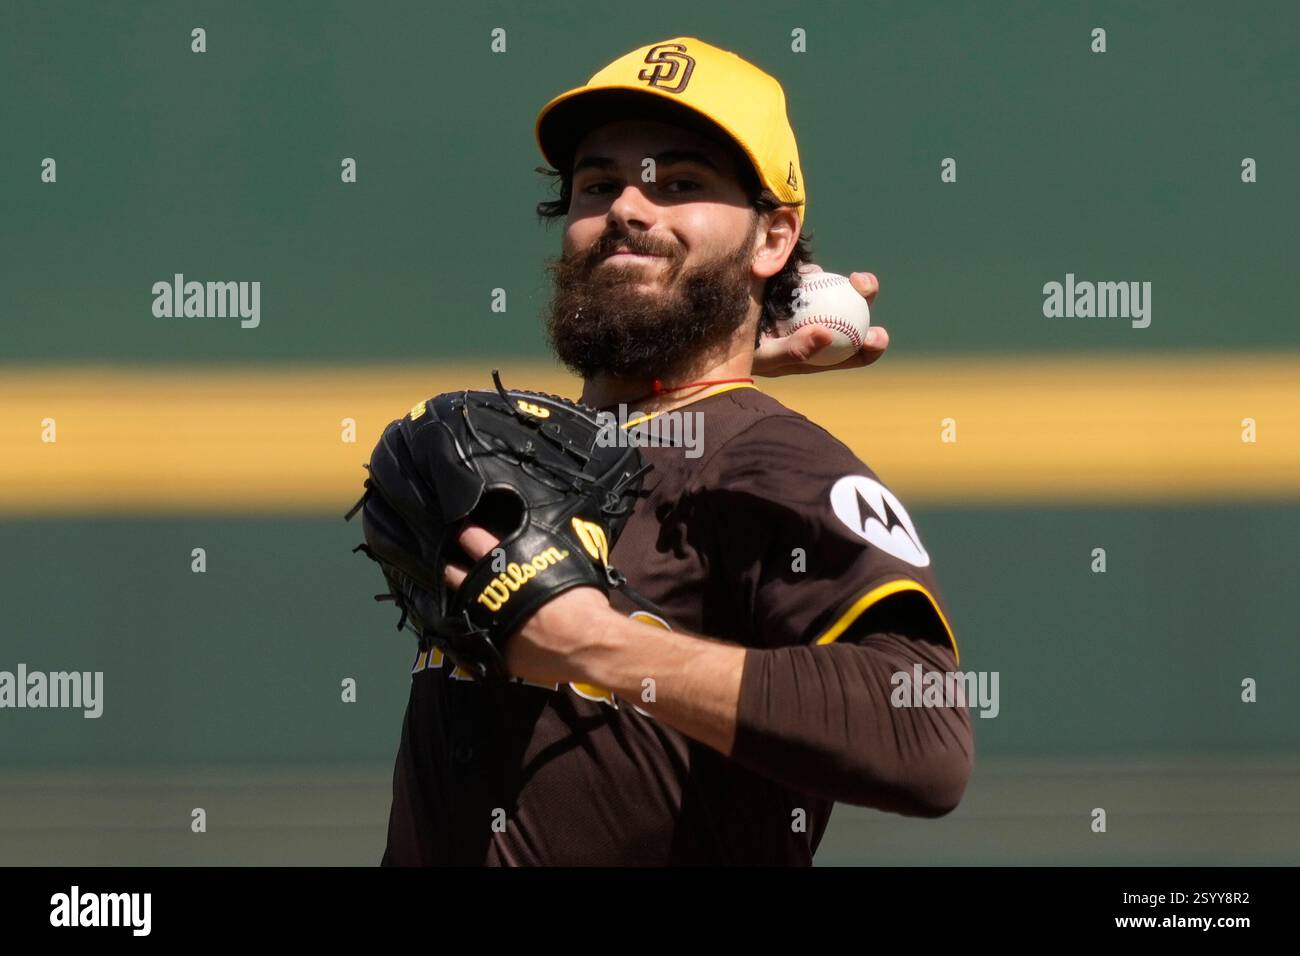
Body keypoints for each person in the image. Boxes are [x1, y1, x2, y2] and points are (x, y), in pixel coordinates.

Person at [381, 36, 972, 865]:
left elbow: (925, 735)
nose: (628, 206)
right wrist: (671, 379)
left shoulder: (778, 465)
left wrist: (597, 642)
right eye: (597, 183)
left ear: (773, 240)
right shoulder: (513, 457)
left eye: (681, 183)